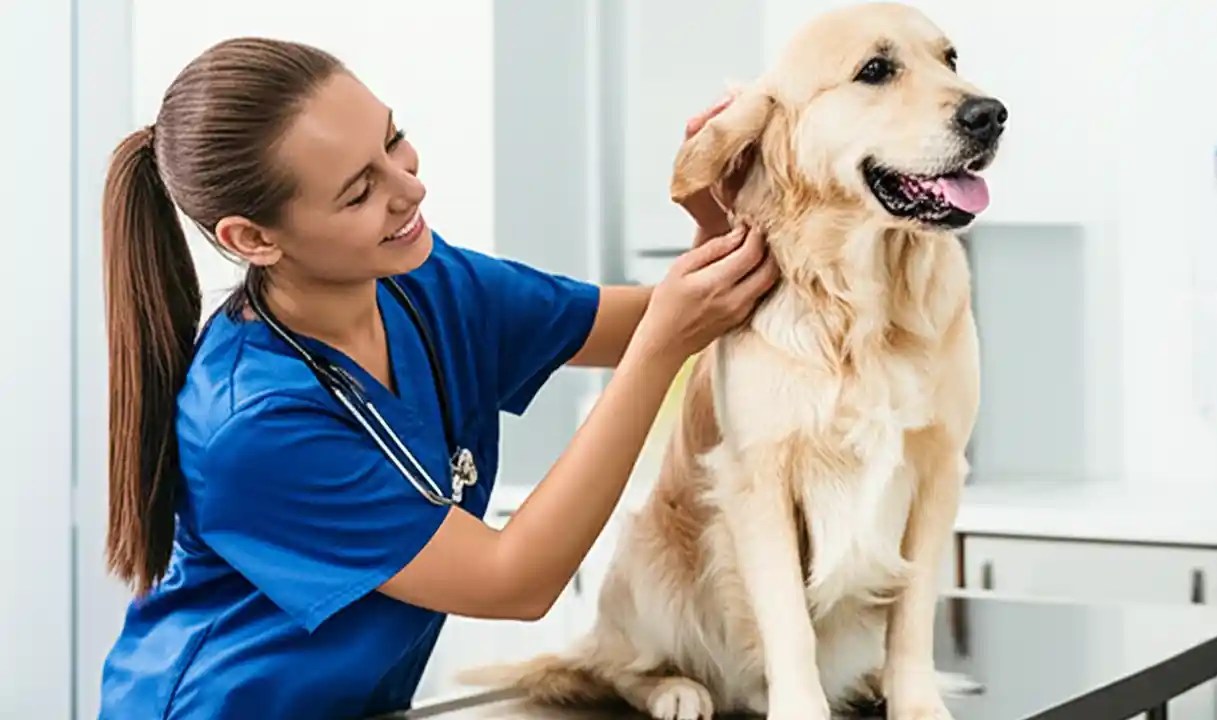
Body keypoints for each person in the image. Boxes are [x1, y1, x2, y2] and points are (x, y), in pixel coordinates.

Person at [95, 36, 776, 720]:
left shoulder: (429, 286)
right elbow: (516, 582)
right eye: (360, 191)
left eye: (394, 141)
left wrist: (716, 209)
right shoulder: (255, 425)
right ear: (252, 240)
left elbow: (656, 320)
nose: (410, 188)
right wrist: (660, 351)